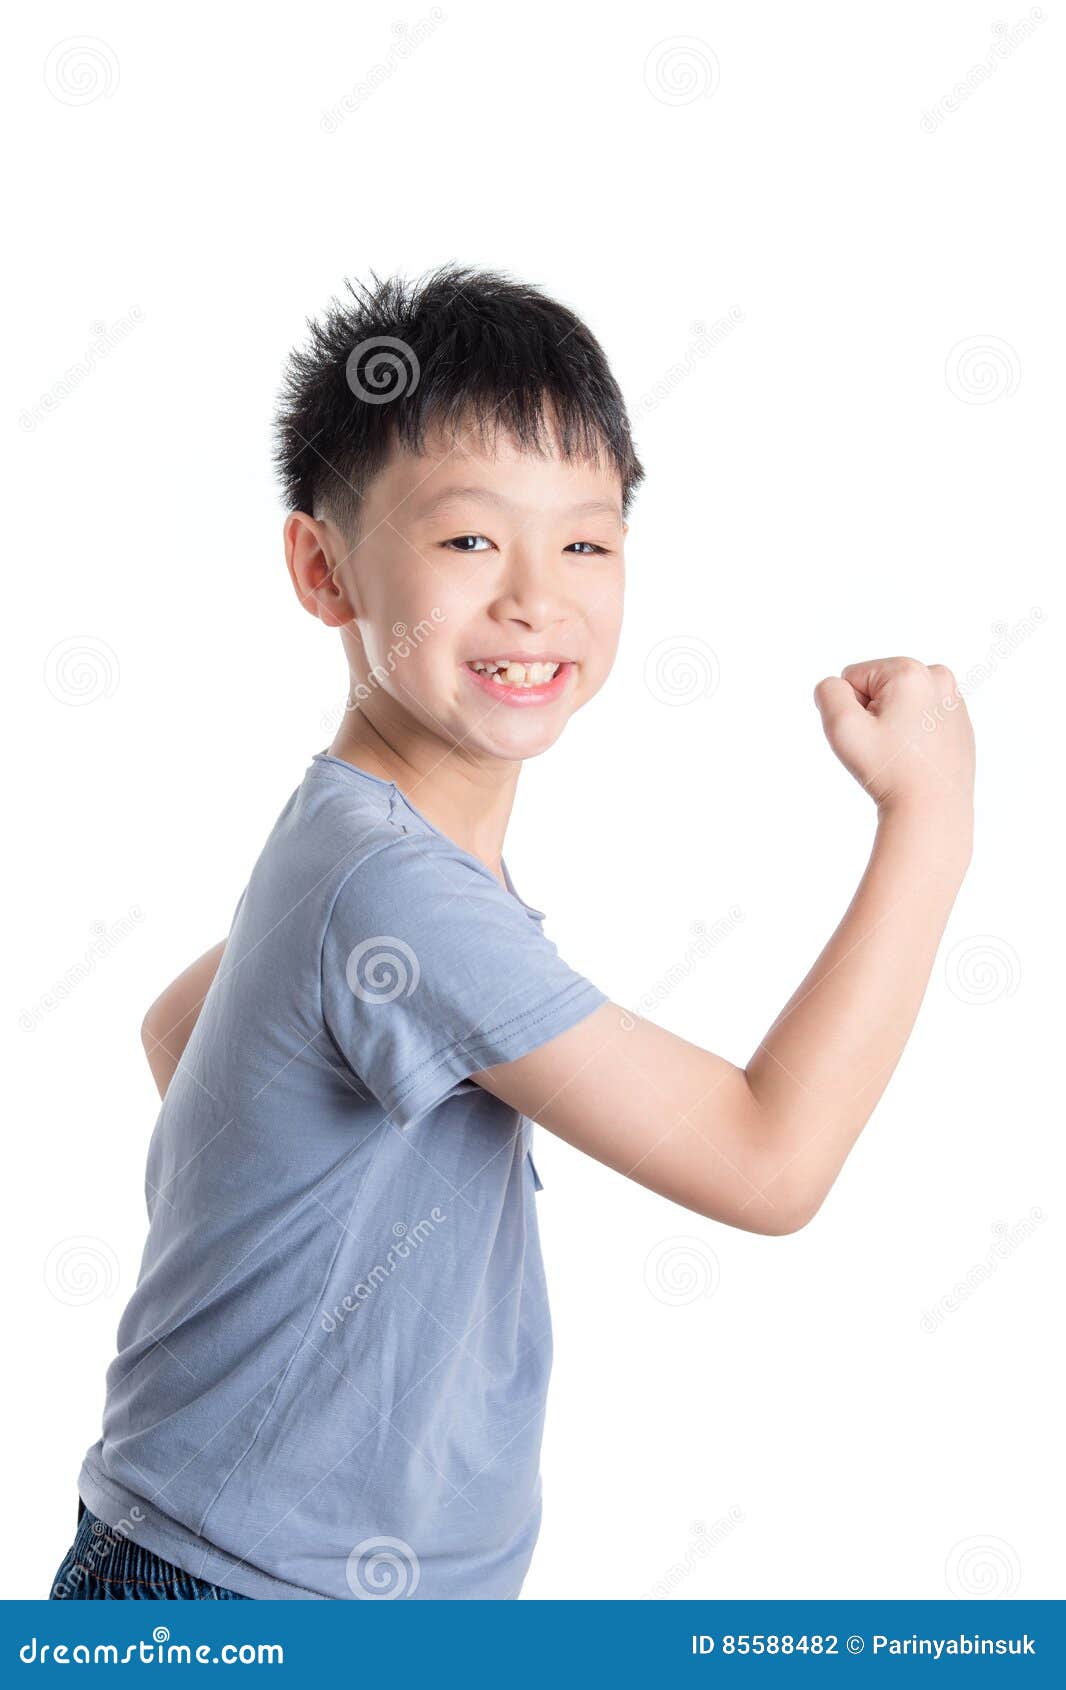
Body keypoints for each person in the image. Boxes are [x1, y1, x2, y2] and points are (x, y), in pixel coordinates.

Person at [50, 264, 975, 1601]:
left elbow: (181, 1026)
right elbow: (769, 1162)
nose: (537, 597)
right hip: (249, 1604)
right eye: (470, 540)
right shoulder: (396, 895)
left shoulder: (356, 843)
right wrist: (929, 824)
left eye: (586, 543)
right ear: (322, 566)